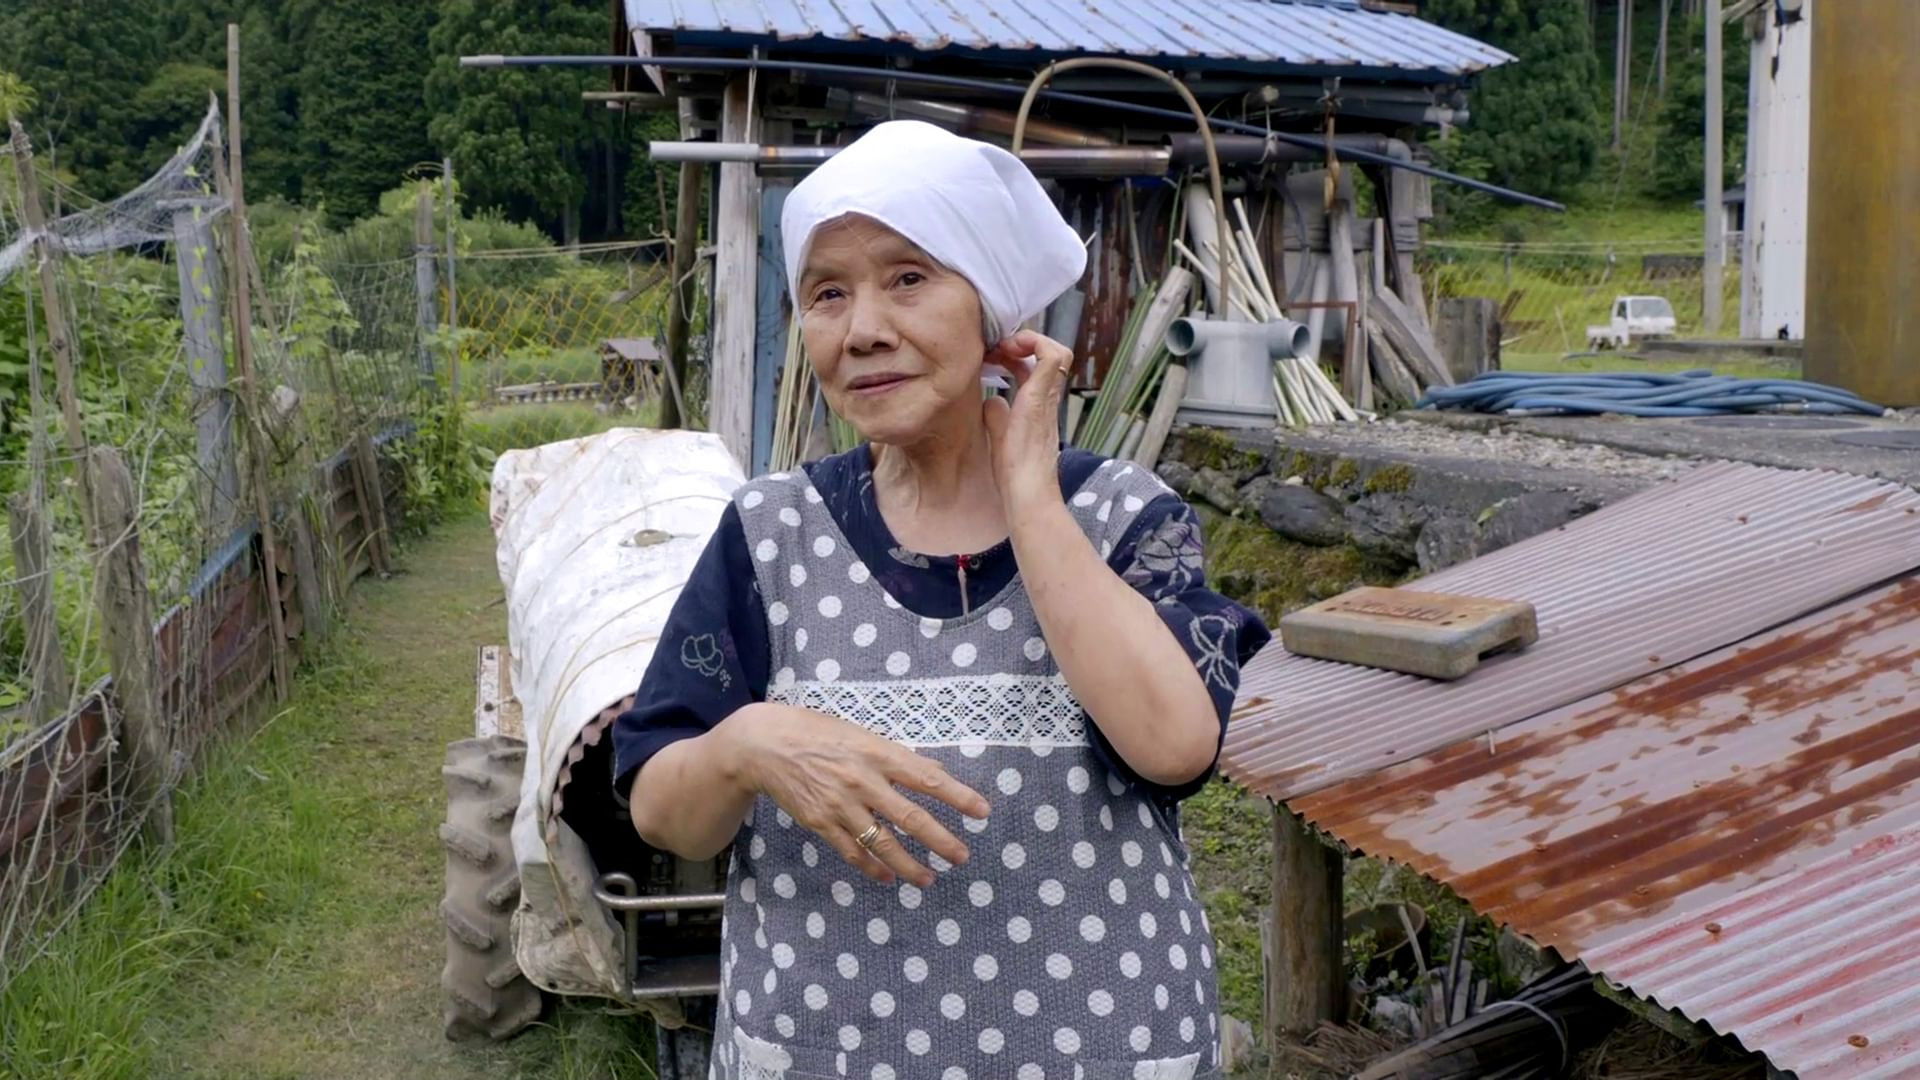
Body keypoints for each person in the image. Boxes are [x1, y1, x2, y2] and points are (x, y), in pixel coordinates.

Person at [614, 119, 1269, 1080]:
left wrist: (1033, 497)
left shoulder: (1124, 516)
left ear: (991, 312)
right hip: (827, 1052)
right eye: (827, 293)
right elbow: (666, 815)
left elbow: (1173, 745)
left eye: (909, 278)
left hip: (1103, 1048)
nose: (864, 327)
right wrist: (748, 741)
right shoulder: (771, 536)